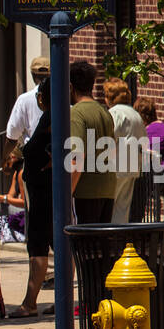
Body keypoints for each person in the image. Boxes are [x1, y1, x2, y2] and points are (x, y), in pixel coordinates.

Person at [7, 78, 53, 318]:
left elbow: (57, 151)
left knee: (37, 247)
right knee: (54, 244)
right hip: (45, 190)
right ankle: (55, 299)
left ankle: (30, 303)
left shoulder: (51, 119)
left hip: (43, 193)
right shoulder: (55, 118)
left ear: (42, 98)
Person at [68, 60, 115, 224]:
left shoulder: (76, 114)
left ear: (70, 87)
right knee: (101, 245)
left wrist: (67, 193)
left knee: (85, 245)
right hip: (108, 188)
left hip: (85, 191)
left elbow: (77, 158)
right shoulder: (104, 112)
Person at [103, 77, 146, 223]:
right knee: (123, 207)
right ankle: (120, 238)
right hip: (132, 165)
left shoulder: (114, 113)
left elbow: (109, 139)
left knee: (110, 206)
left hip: (115, 166)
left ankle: (110, 239)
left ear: (109, 98)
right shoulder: (136, 115)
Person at [2, 55, 50, 173]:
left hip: (35, 161)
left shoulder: (24, 99)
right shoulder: (65, 97)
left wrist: (5, 158)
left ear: (33, 75)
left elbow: (12, 136)